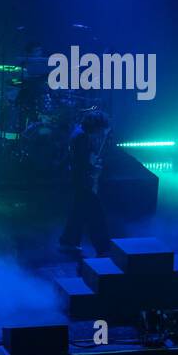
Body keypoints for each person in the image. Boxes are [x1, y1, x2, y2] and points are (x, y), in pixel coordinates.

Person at [58, 110, 111, 257]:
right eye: (101, 129)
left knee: (78, 213)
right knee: (96, 214)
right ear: (96, 125)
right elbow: (81, 162)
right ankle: (103, 246)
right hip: (82, 181)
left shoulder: (79, 133)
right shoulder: (81, 137)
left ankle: (69, 241)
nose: (101, 133)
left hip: (78, 180)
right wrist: (93, 168)